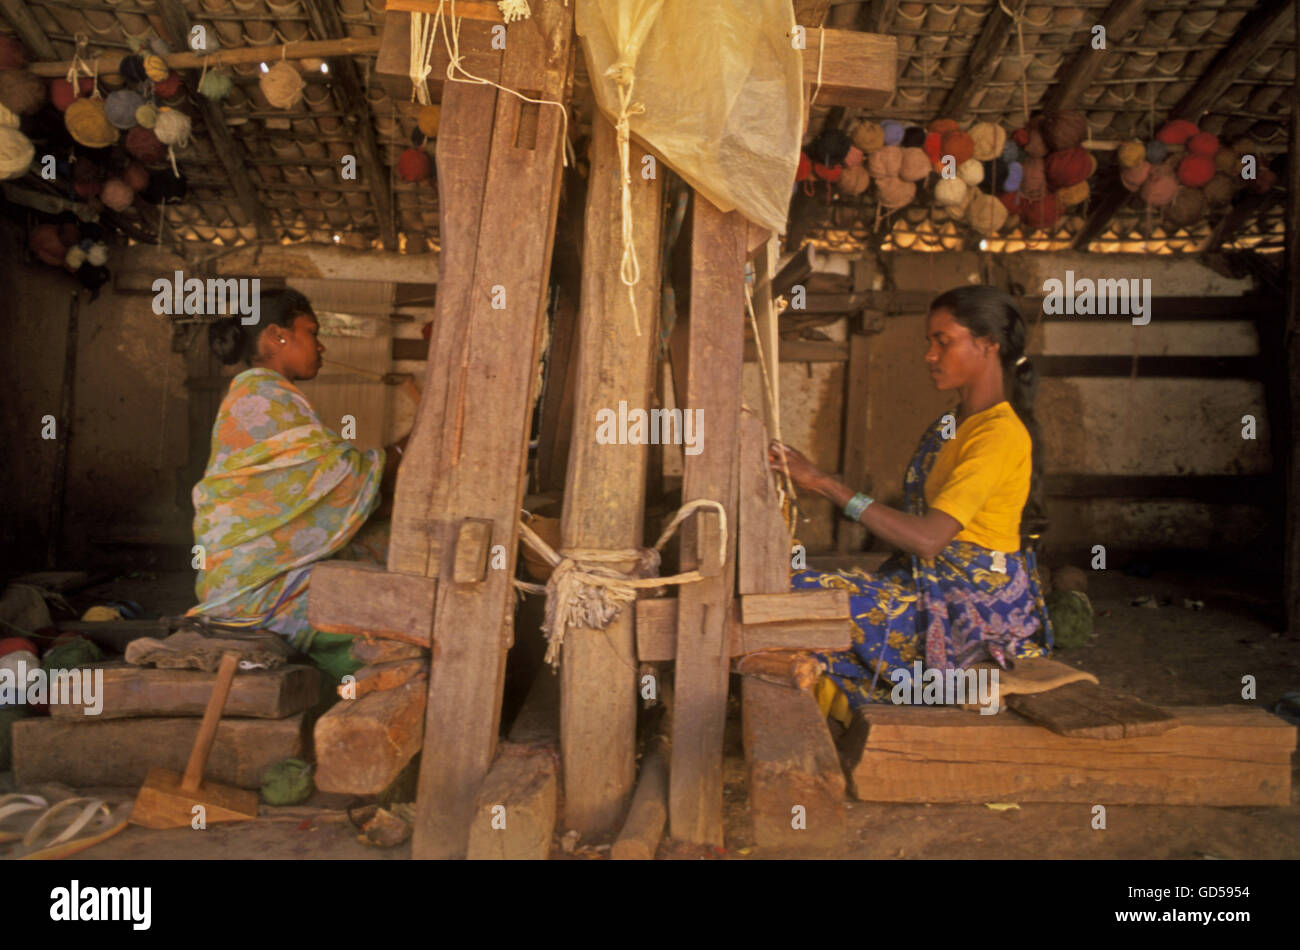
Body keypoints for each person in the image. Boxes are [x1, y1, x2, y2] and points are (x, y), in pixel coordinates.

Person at [769, 285, 1053, 725]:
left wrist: (825, 484)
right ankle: (833, 712)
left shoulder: (998, 435)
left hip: (974, 610)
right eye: (929, 341)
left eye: (944, 341)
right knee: (787, 589)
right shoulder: (953, 424)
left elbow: (927, 538)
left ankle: (839, 713)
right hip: (932, 587)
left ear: (987, 345)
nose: (930, 354)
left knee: (791, 594)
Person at [188, 290, 407, 682]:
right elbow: (344, 478)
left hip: (242, 579)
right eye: (311, 331)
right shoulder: (263, 395)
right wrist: (409, 446)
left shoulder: (262, 393)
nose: (321, 345)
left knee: (389, 544)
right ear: (277, 336)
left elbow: (325, 487)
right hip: (253, 590)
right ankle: (358, 700)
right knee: (391, 626)